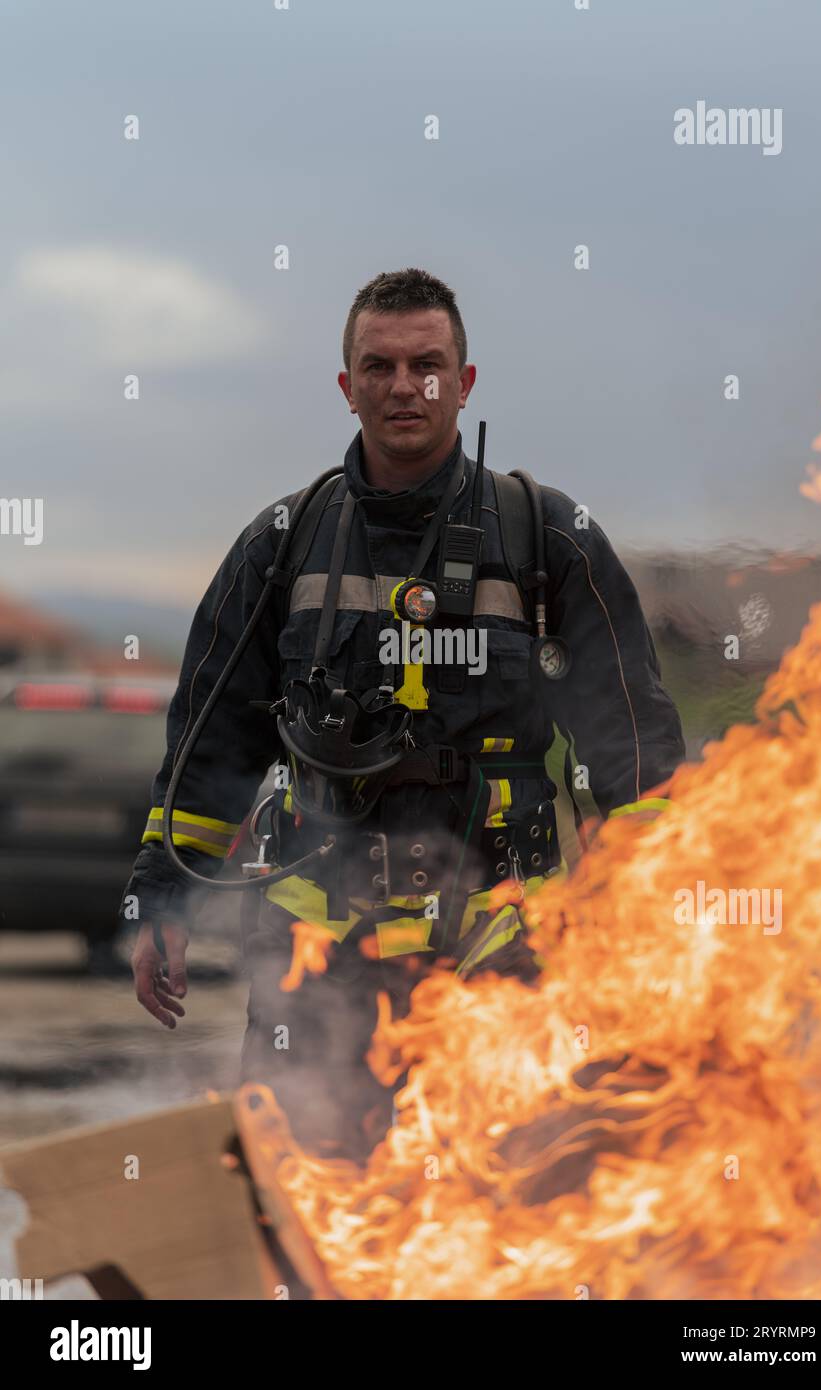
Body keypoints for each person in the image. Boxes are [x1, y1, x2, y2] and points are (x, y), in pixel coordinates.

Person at [124, 267, 685, 1159]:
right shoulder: (282, 545)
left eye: (427, 364)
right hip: (317, 956)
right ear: (347, 388)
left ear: (463, 384)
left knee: (506, 1211)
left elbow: (635, 745)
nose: (403, 385)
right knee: (304, 1206)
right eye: (378, 366)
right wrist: (164, 894)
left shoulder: (548, 539)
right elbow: (211, 740)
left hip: (501, 947)